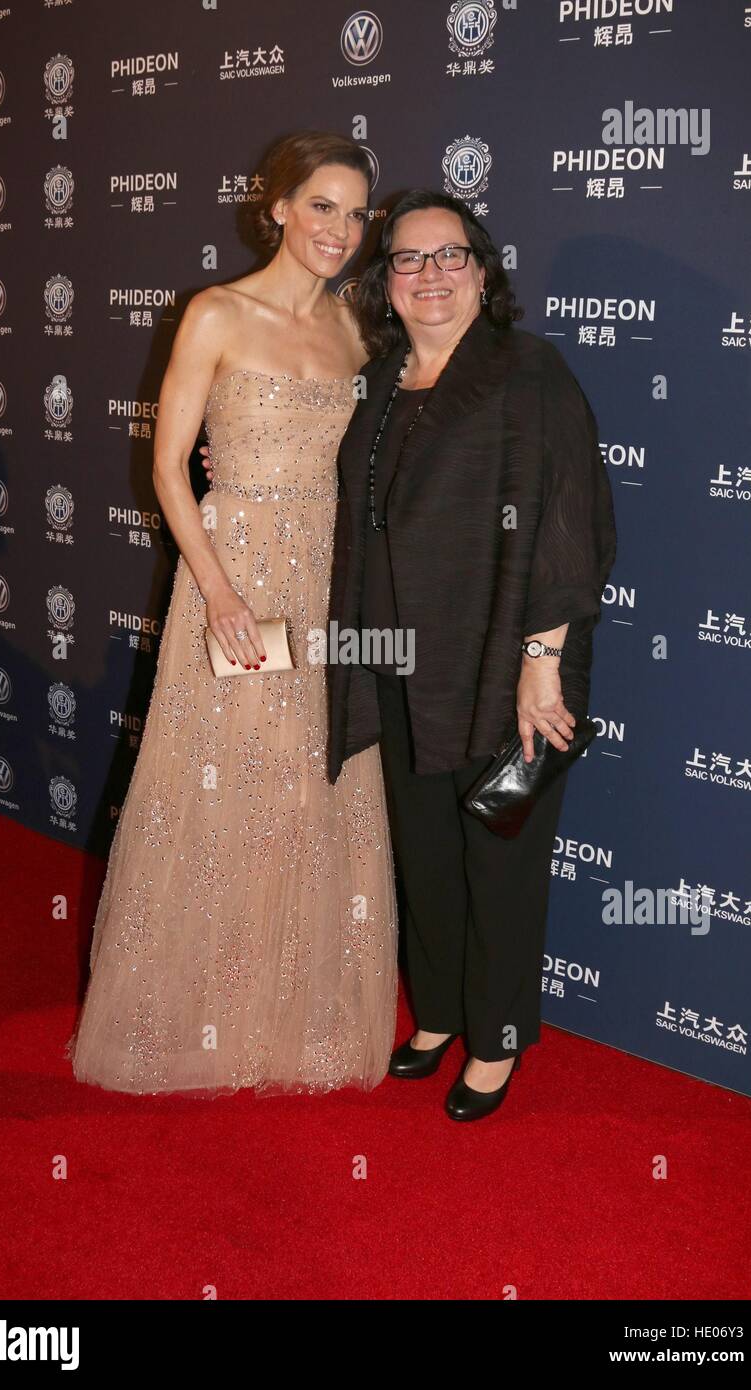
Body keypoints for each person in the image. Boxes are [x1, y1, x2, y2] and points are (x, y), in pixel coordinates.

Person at [66, 132, 398, 1095]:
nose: (340, 229)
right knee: (220, 787)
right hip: (237, 578)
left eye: (356, 212)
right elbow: (169, 466)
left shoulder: (356, 333)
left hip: (323, 583)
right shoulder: (215, 314)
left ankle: (291, 1022)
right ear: (279, 207)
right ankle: (193, 1017)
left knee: (309, 788)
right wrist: (214, 589)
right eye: (322, 205)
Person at [326, 190, 617, 1121]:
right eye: (408, 260)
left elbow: (573, 526)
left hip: (507, 659)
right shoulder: (377, 384)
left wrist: (543, 660)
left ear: (483, 272)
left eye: (449, 256)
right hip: (400, 657)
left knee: (499, 857)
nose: (430, 275)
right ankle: (440, 1009)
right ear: (386, 283)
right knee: (425, 850)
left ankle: (495, 1036)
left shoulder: (529, 374)